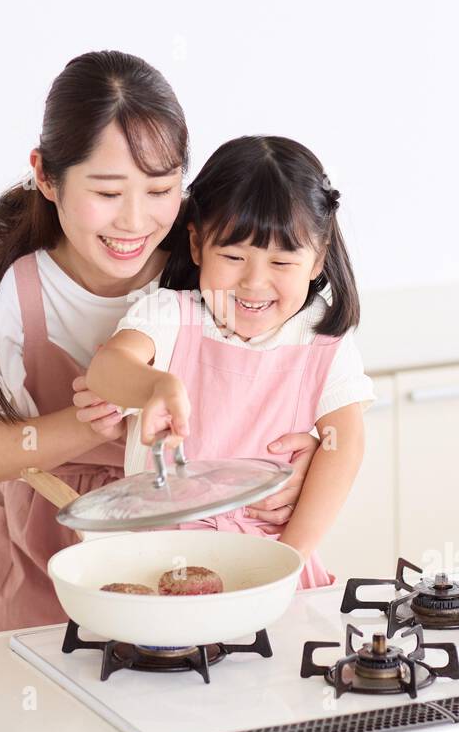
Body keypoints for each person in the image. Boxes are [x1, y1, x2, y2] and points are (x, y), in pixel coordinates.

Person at [0, 53, 322, 632]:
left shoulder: (215, 263)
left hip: (201, 548)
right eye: (107, 193)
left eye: (160, 189)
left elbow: (290, 378)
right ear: (46, 175)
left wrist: (299, 457)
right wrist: (94, 423)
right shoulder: (3, 286)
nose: (135, 221)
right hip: (47, 551)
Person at [87, 136, 374, 587]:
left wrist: (287, 559)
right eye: (234, 256)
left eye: (282, 262)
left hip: (270, 560)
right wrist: (154, 387)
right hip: (163, 562)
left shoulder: (321, 337)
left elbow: (346, 444)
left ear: (317, 260)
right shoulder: (171, 316)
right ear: (198, 245)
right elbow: (107, 370)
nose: (254, 283)